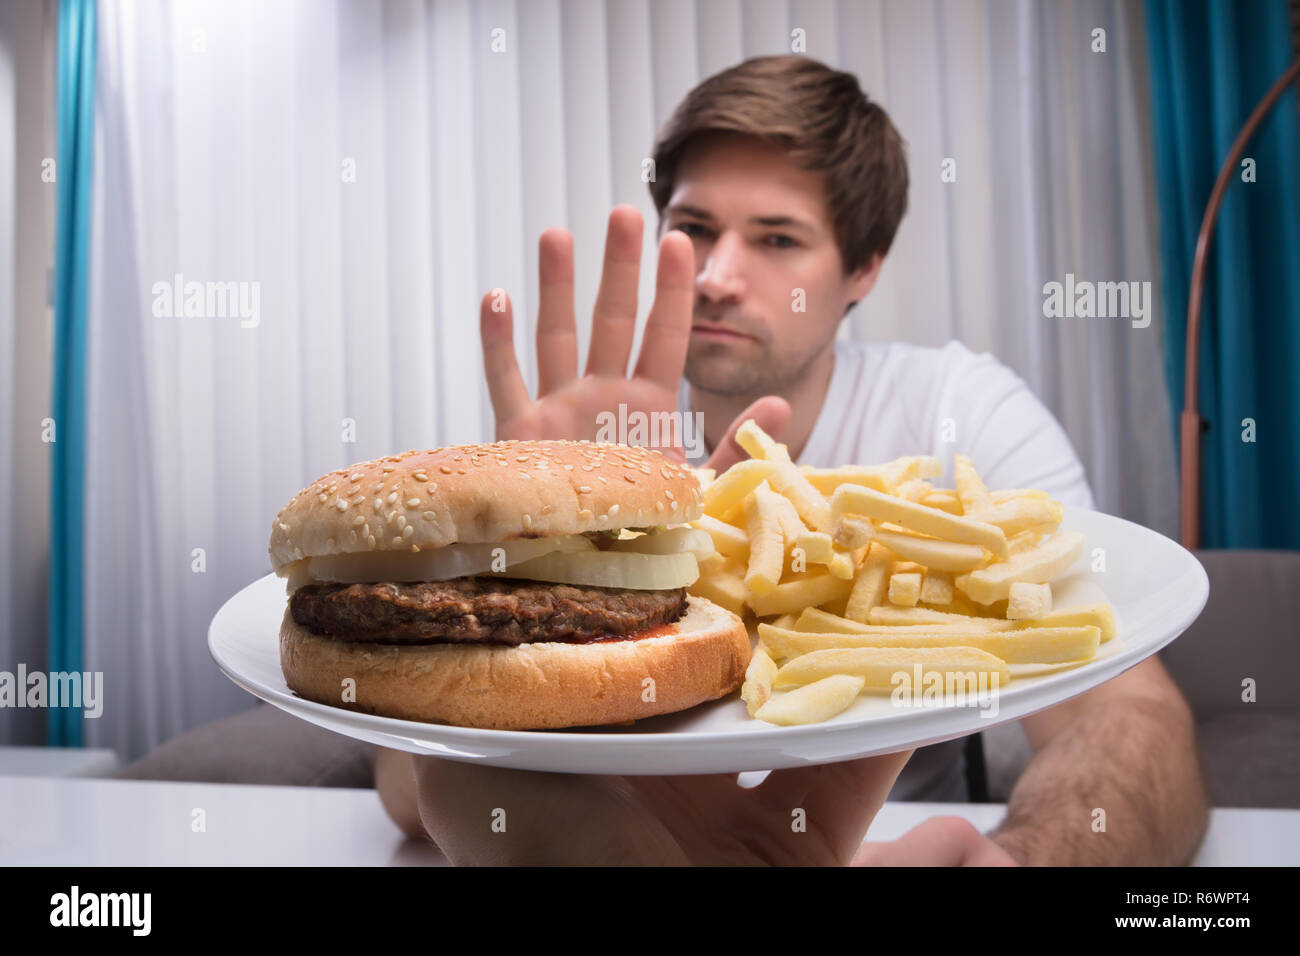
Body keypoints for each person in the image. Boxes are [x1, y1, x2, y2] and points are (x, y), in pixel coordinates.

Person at [376, 55, 1209, 866]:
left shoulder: (961, 413)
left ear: (864, 269)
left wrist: (1024, 861)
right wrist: (537, 565)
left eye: (777, 239)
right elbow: (408, 800)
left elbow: (1128, 715)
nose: (716, 276)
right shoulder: (573, 437)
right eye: (694, 229)